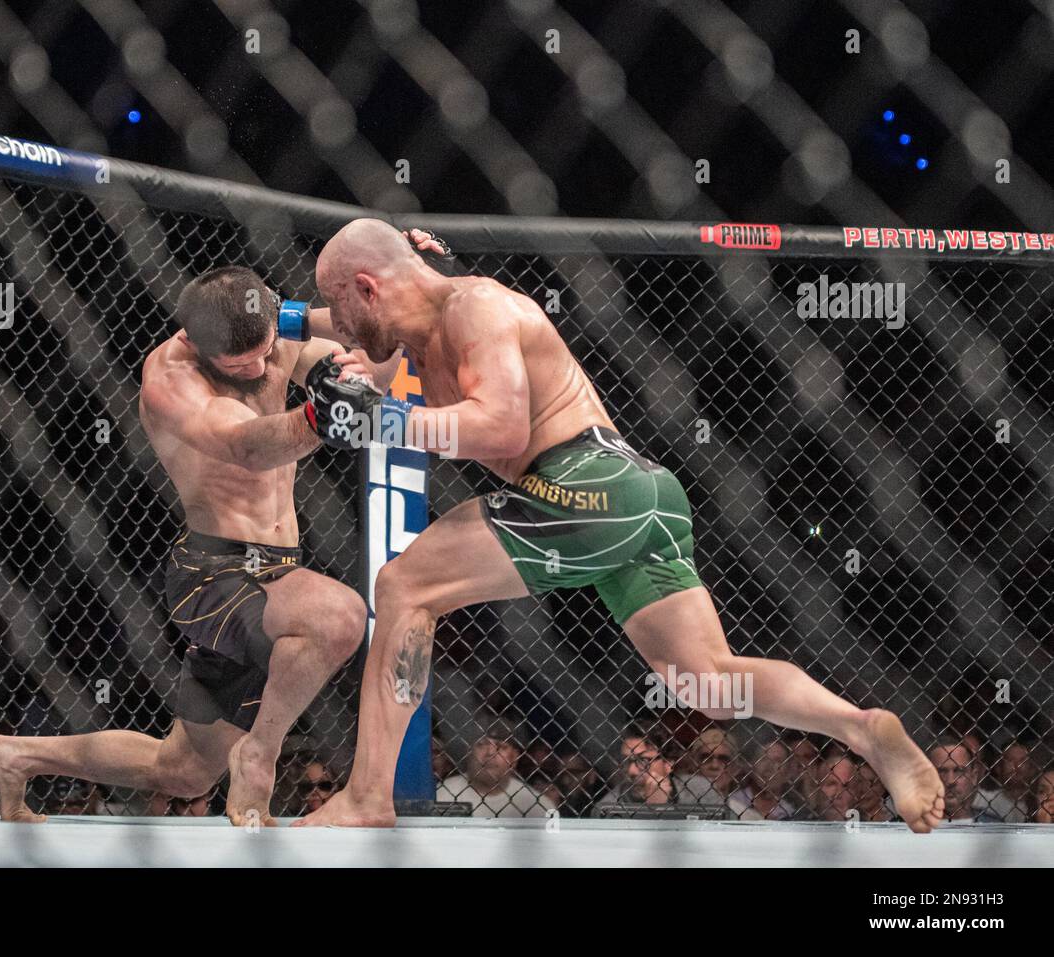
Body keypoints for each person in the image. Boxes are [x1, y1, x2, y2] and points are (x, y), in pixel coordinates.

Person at [296, 217, 944, 832]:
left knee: (406, 585)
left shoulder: (477, 307)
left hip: (580, 482)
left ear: (369, 288)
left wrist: (389, 421)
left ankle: (368, 794)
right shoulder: (413, 325)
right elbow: (330, 324)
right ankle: (862, 726)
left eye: (339, 304)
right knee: (709, 683)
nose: (340, 327)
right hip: (641, 495)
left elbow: (503, 426)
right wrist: (277, 318)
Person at [0, 260, 391, 825]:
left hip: (280, 573)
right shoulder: (170, 378)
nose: (256, 368)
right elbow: (247, 446)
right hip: (215, 574)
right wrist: (323, 415)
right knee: (340, 617)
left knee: (184, 771)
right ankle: (260, 755)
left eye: (264, 354)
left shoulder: (276, 334)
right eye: (236, 364)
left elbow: (372, 360)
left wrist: (370, 353)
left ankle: (17, 756)